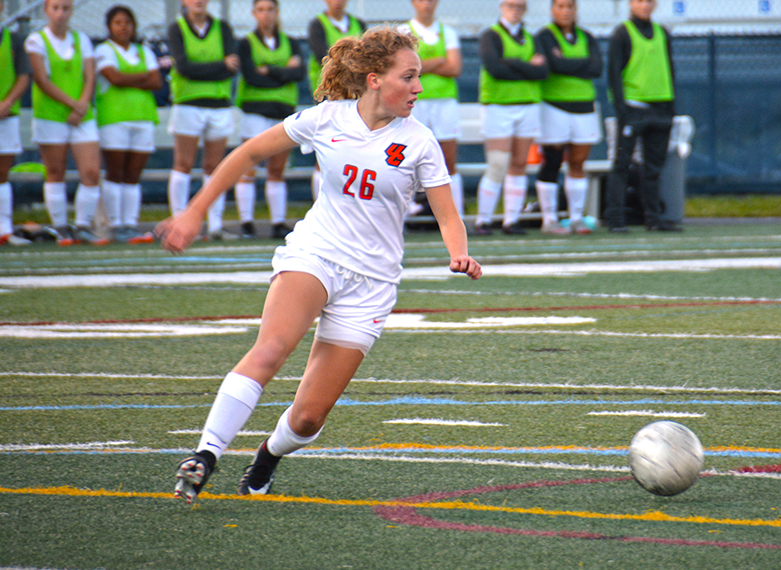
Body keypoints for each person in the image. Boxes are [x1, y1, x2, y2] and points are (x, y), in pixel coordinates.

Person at [158, 26, 482, 504]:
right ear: (374, 79)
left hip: (372, 282)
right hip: (316, 254)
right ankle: (205, 454)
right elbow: (248, 152)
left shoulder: (419, 142)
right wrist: (195, 211)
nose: (418, 87)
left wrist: (459, 251)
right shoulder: (325, 119)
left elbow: (447, 214)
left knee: (309, 417)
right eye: (408, 77)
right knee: (269, 351)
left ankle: (268, 455)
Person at [26, 0, 105, 245]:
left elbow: (90, 76)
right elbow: (41, 79)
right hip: (51, 115)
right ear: (46, 10)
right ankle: (60, 227)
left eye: (66, 8)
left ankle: (82, 225)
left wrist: (82, 105)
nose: (61, 14)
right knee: (55, 171)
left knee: (91, 172)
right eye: (56, 8)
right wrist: (73, 104)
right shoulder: (36, 41)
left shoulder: (81, 40)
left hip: (83, 115)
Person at [166, 0, 239, 240]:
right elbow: (184, 67)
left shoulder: (223, 28)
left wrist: (207, 68)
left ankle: (215, 225)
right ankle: (179, 222)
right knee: (183, 164)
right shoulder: (177, 28)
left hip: (219, 105)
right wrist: (219, 65)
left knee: (214, 167)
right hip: (188, 103)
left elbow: (232, 68)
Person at [604, 0, 679, 233]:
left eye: (649, 1)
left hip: (661, 108)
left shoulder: (662, 32)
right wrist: (621, 109)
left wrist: (671, 104)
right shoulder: (622, 33)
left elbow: (669, 68)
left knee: (654, 168)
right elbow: (613, 73)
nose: (644, 5)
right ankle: (615, 219)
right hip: (633, 108)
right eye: (639, 1)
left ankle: (653, 219)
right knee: (622, 165)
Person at [475, 0, 548, 235]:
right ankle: (483, 220)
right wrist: (526, 66)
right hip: (498, 106)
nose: (514, 10)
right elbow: (495, 69)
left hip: (527, 106)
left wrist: (512, 63)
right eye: (510, 5)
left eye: (519, 6)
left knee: (519, 163)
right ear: (501, 7)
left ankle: (511, 220)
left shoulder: (532, 37)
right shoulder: (490, 35)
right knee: (497, 164)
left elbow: (543, 72)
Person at [235, 0, 304, 239]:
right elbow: (252, 77)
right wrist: (283, 71)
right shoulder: (246, 43)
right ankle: (246, 222)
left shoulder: (291, 42)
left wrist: (270, 70)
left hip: (281, 111)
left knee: (277, 169)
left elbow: (299, 73)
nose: (266, 15)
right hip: (254, 110)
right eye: (261, 10)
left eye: (270, 9)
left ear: (277, 12)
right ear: (254, 13)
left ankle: (277, 223)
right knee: (248, 166)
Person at [534, 0, 602, 235]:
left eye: (570, 6)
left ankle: (576, 218)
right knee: (552, 161)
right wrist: (579, 64)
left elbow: (597, 68)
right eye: (560, 6)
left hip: (584, 106)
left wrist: (565, 63)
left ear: (576, 10)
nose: (565, 11)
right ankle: (549, 219)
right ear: (553, 9)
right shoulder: (544, 36)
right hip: (554, 106)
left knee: (578, 163)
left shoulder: (587, 37)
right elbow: (553, 66)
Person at [95, 5, 161, 244]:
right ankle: (115, 224)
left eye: (128, 22)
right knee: (115, 172)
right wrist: (140, 76)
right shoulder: (104, 50)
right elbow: (114, 78)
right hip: (113, 117)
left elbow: (156, 81)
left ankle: (130, 224)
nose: (124, 27)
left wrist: (128, 79)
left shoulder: (143, 50)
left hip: (143, 117)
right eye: (118, 23)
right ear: (109, 27)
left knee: (133, 174)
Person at [398, 0, 464, 217]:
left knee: (448, 160)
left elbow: (455, 67)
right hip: (412, 101)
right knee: (405, 158)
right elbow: (402, 68)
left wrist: (420, 66)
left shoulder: (448, 32)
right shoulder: (403, 31)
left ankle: (456, 216)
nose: (426, 3)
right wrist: (438, 60)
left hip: (445, 101)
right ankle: (402, 216)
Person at [306, 0, 365, 202]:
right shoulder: (318, 24)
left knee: (355, 155)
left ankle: (352, 204)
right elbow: (322, 55)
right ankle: (320, 205)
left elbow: (368, 57)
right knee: (323, 156)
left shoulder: (359, 24)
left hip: (357, 99)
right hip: (329, 98)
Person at [0, 0, 32, 246]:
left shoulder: (15, 39)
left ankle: (4, 229)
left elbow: (23, 76)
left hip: (6, 115)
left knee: (2, 173)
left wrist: (7, 102)